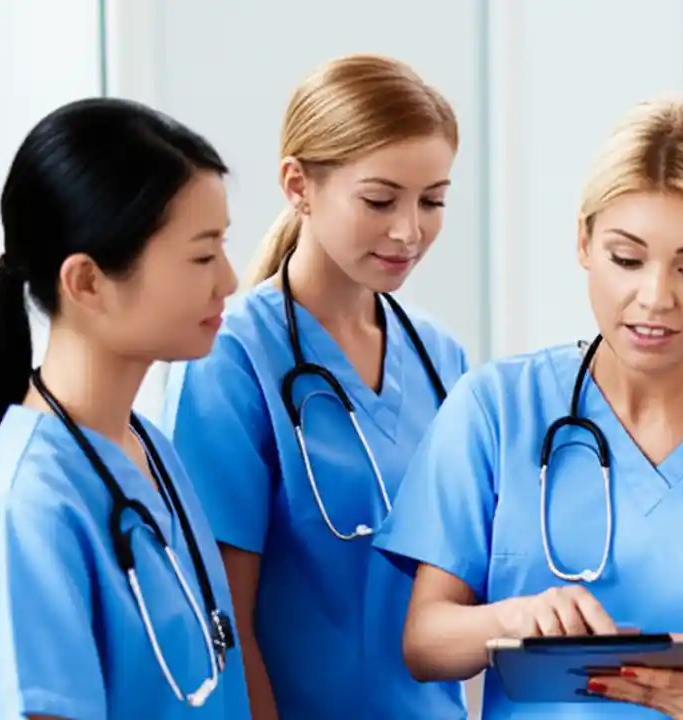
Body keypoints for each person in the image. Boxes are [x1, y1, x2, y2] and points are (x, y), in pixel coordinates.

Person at [372, 95, 683, 719]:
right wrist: (513, 618)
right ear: (583, 241)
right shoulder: (497, 410)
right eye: (627, 259)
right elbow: (425, 642)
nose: (655, 298)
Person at [162, 54, 469, 720]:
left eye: (433, 200)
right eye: (380, 200)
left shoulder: (443, 360)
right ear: (299, 185)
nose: (409, 230)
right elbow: (225, 624)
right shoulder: (232, 357)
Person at [0, 97, 247, 719]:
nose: (229, 279)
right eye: (203, 255)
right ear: (87, 282)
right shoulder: (29, 506)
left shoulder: (148, 447)